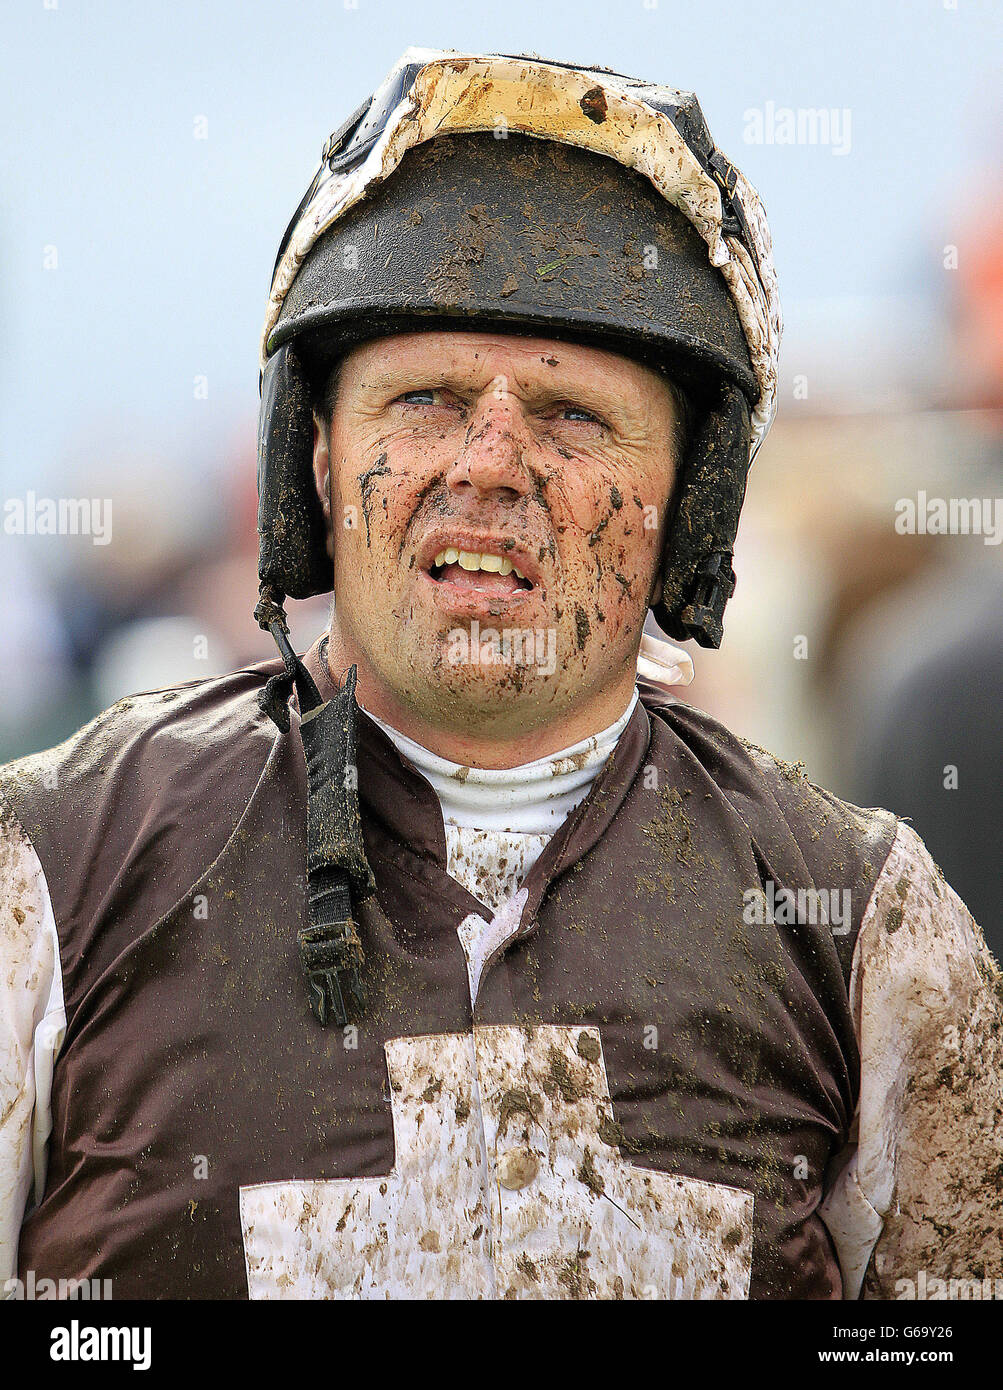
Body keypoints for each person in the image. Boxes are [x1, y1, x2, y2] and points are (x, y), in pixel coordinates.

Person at [2, 47, 1000, 1302]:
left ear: (685, 499)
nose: (490, 462)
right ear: (314, 463)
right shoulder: (55, 863)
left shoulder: (858, 926)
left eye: (574, 415)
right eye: (423, 399)